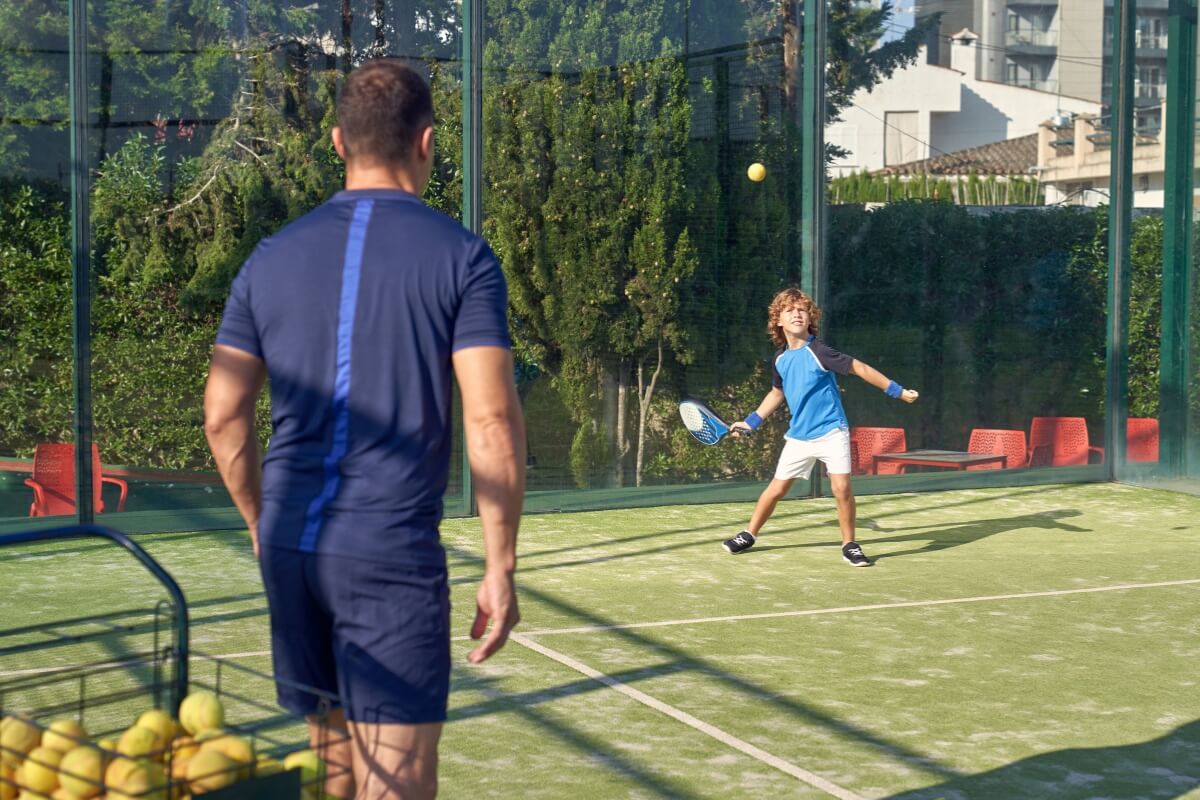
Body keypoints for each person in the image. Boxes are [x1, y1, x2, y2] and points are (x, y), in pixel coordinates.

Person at [203, 59, 525, 799]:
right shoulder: (463, 258)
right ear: (428, 142)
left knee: (333, 773)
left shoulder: (267, 259)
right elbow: (490, 419)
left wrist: (260, 520)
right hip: (386, 553)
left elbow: (224, 415)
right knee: (397, 784)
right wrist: (500, 562)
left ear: (338, 141)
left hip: (291, 546)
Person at [721, 287, 917, 566]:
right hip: (799, 437)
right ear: (778, 320)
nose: (797, 314)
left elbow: (859, 368)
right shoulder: (780, 359)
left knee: (841, 488)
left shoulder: (820, 351)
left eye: (802, 309)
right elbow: (777, 393)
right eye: (790, 310)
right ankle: (749, 534)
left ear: (809, 317)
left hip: (831, 430)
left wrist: (896, 391)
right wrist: (752, 422)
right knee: (776, 490)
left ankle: (850, 544)